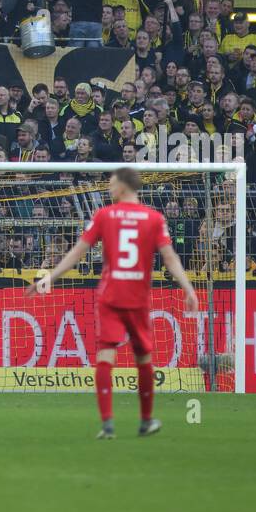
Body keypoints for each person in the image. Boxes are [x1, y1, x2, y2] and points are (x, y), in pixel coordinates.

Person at [29, 165, 198, 438]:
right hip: (137, 296)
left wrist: (49, 277)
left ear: (122, 186)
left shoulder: (104, 215)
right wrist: (188, 288)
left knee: (106, 355)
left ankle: (107, 423)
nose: (108, 189)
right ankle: (145, 421)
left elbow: (77, 253)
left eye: (111, 184)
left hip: (109, 294)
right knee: (143, 358)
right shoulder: (153, 218)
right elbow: (169, 257)